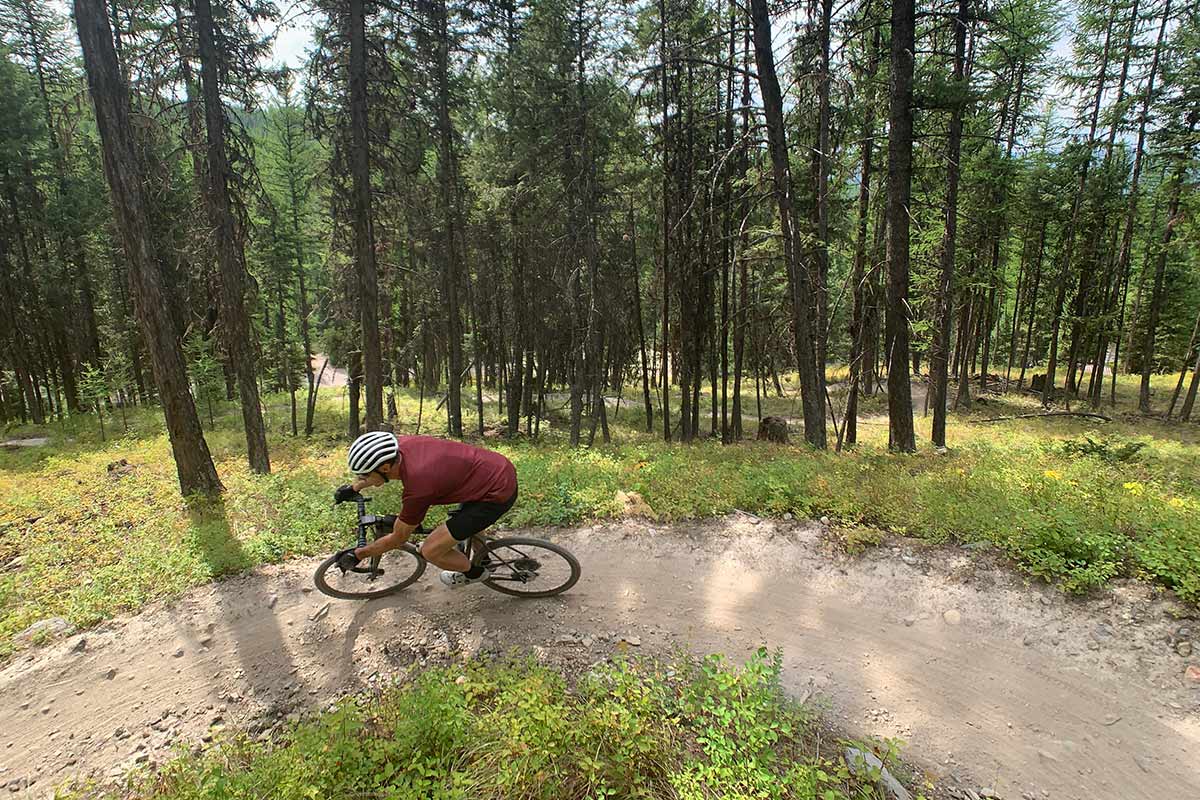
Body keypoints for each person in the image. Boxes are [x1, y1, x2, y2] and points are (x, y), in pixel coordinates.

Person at [332, 431, 518, 587]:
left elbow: (398, 538)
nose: (362, 477)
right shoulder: (401, 445)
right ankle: (483, 557)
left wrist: (358, 554)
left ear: (386, 468)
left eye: (364, 474)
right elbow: (375, 476)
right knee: (468, 524)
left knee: (430, 550)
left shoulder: (418, 486)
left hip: (496, 493)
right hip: (493, 468)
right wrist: (353, 488)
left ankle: (475, 573)